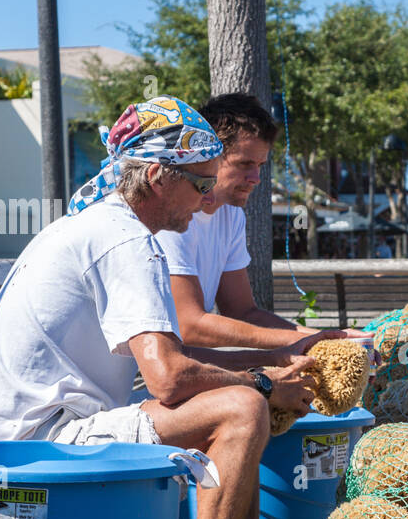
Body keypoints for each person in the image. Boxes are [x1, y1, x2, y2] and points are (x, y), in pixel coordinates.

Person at [0, 96, 319, 519]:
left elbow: (175, 360)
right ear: (159, 176)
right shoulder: (126, 239)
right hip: (43, 444)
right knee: (240, 410)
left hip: (34, 432)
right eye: (201, 185)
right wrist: (260, 381)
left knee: (242, 403)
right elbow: (169, 377)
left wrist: (271, 370)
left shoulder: (103, 222)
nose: (207, 200)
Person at [154, 93, 368, 351]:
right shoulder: (174, 215)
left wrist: (330, 337)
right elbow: (188, 326)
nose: (256, 178)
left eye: (260, 165)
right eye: (245, 164)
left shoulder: (231, 215)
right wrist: (313, 342)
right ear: (210, 156)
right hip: (142, 378)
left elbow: (243, 312)